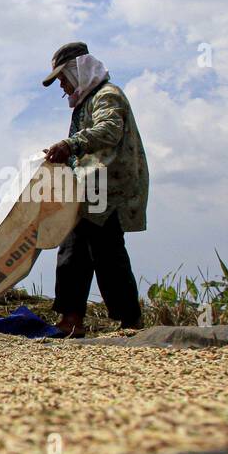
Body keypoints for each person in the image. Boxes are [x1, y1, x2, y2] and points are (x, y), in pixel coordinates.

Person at [42, 41, 149, 337]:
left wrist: (69, 144)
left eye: (64, 77)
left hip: (108, 187)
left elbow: (109, 130)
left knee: (106, 251)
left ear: (80, 70)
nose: (62, 85)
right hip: (89, 188)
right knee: (74, 249)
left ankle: (129, 321)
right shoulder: (84, 104)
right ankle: (72, 318)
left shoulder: (107, 96)